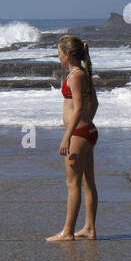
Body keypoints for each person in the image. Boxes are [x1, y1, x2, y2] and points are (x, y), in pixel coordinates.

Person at [47, 35, 100, 241]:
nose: (58, 56)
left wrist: (67, 136)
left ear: (68, 55)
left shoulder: (76, 75)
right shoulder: (84, 74)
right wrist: (87, 124)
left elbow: (78, 108)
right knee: (88, 183)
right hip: (88, 132)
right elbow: (94, 104)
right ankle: (89, 228)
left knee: (73, 184)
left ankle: (67, 232)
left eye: (59, 52)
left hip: (78, 134)